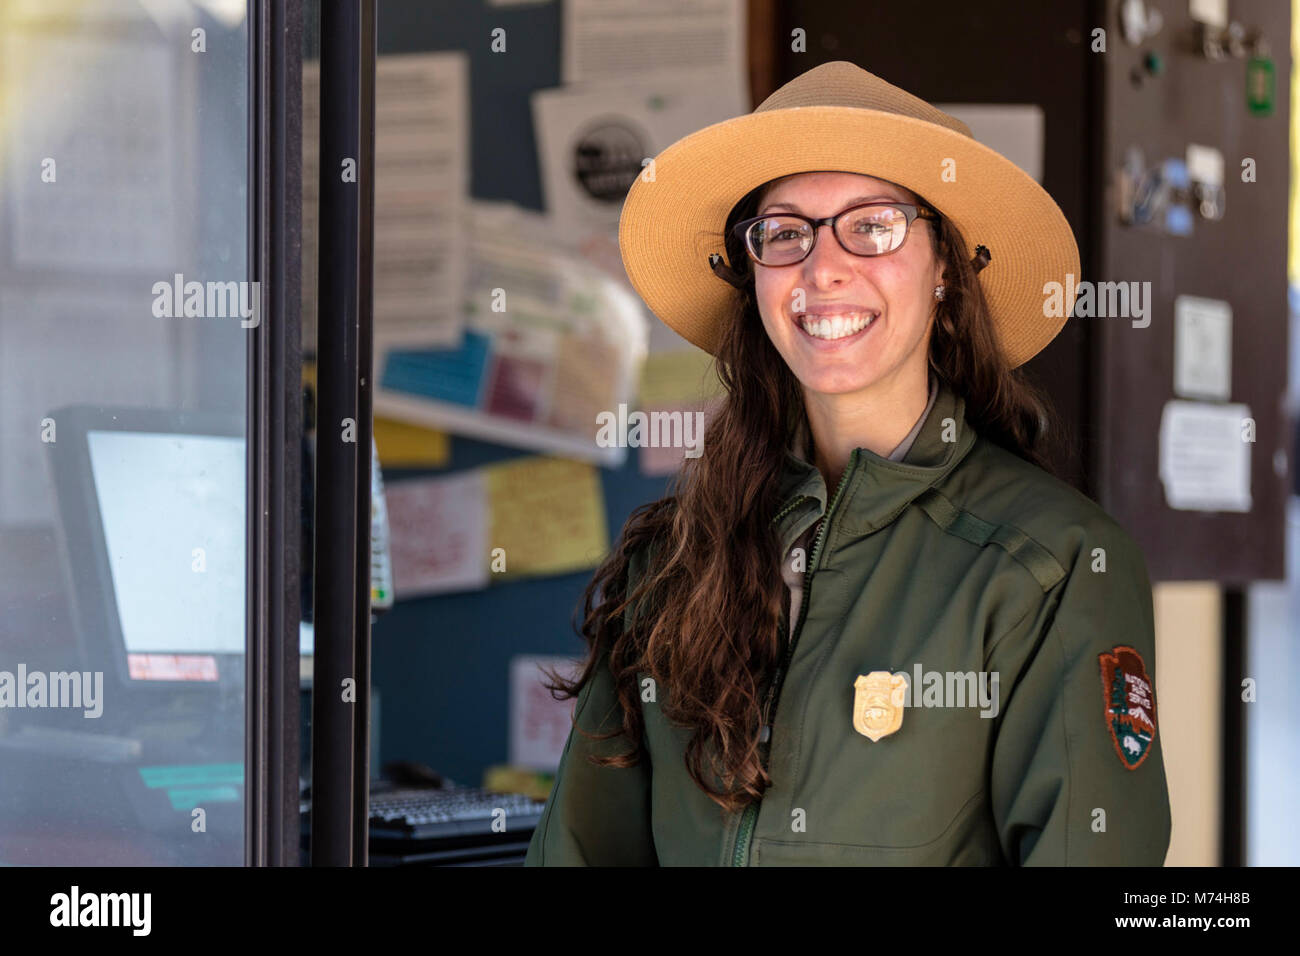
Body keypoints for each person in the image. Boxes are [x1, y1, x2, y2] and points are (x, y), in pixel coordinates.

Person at [525, 61, 1171, 866]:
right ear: (753, 275)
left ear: (945, 268)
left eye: (873, 226)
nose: (822, 268)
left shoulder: (1052, 565)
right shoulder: (671, 560)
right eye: (786, 232)